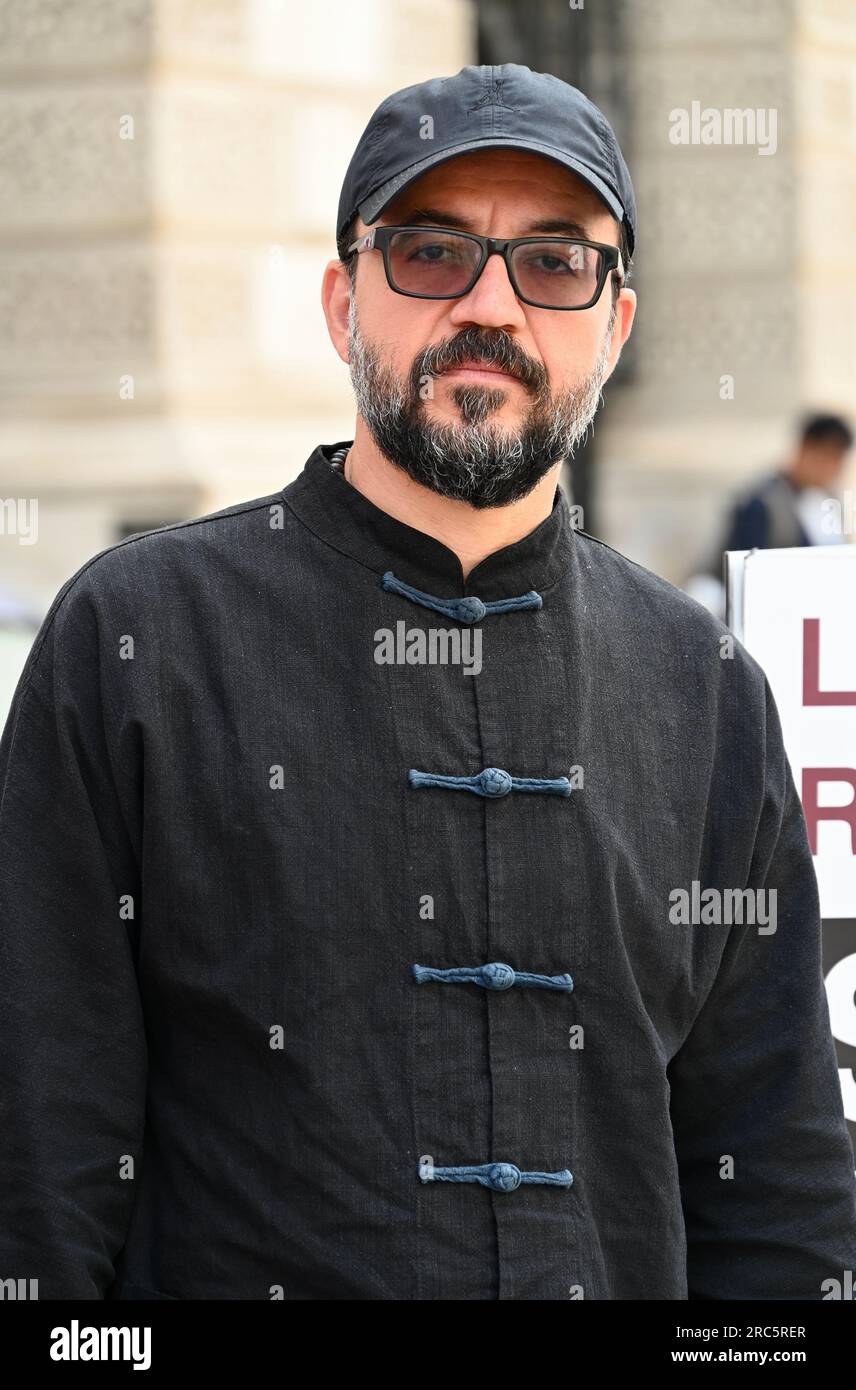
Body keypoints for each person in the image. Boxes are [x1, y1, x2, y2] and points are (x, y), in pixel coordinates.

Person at [1, 62, 854, 1302]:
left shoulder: (706, 687)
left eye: (555, 263)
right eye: (432, 254)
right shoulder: (134, 639)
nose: (491, 308)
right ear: (345, 303)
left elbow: (772, 1182)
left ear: (614, 322)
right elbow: (41, 1163)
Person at [685, 412, 853, 617]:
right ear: (805, 449)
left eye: (838, 460)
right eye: (827, 458)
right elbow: (749, 572)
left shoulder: (829, 502)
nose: (832, 469)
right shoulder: (761, 501)